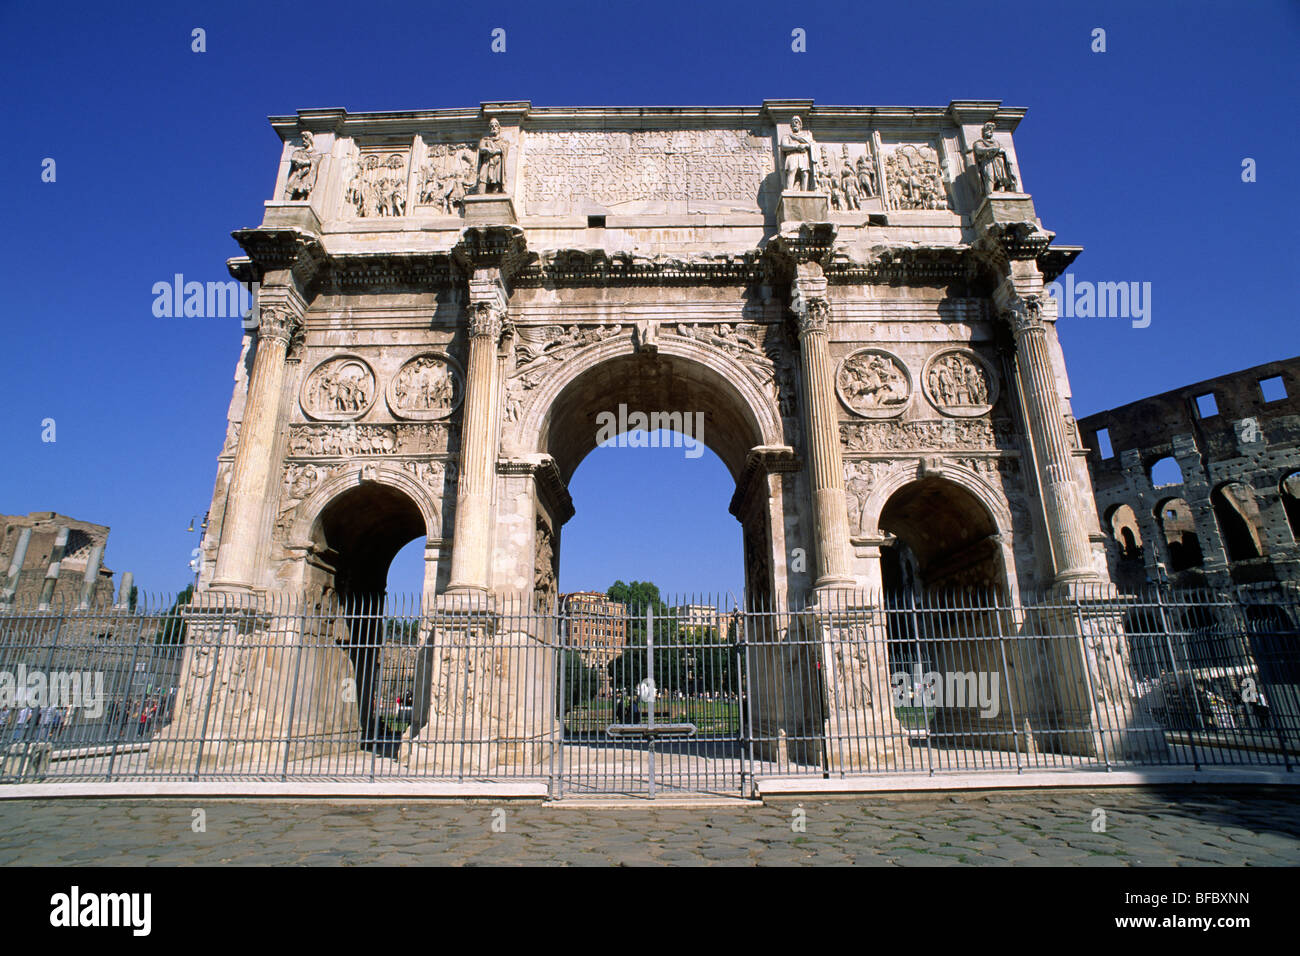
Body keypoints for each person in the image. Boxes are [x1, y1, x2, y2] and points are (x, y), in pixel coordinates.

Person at [780, 115, 816, 191]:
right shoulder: (787, 136)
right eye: (793, 123)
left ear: (800, 125)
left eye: (796, 122)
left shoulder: (806, 136)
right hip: (792, 155)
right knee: (792, 171)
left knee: (805, 173)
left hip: (803, 156)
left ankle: (804, 192)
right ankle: (789, 189)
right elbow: (784, 146)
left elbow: (811, 144)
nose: (795, 124)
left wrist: (805, 145)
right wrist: (797, 146)